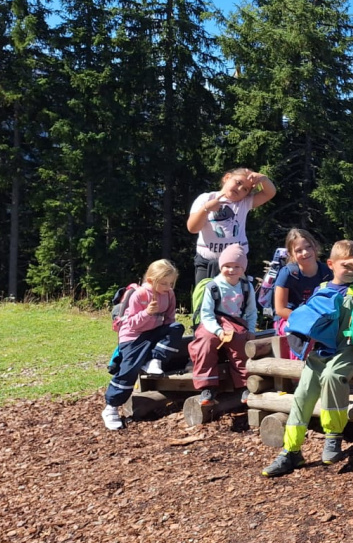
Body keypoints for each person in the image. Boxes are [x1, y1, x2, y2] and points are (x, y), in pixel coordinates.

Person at [261, 240, 353, 477]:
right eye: (344, 265)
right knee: (303, 392)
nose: (350, 269)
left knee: (332, 376)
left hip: (348, 349)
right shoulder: (322, 287)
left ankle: (333, 437)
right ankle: (290, 451)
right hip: (321, 350)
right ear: (330, 264)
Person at [101, 260, 185, 430]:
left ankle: (155, 360)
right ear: (151, 280)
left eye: (171, 283)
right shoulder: (139, 295)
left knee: (177, 328)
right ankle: (111, 408)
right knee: (130, 368)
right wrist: (147, 313)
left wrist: (161, 328)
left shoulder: (169, 294)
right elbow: (131, 324)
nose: (168, 287)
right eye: (164, 283)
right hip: (133, 336)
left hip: (153, 332)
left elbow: (169, 320)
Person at [189, 244, 257, 405]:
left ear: (243, 268)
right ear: (221, 266)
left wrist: (252, 330)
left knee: (240, 343)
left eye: (236, 266)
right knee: (204, 342)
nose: (231, 270)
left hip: (235, 322)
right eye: (227, 266)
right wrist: (218, 331)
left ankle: (244, 386)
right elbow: (206, 314)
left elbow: (251, 311)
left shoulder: (246, 286)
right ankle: (207, 387)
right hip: (213, 321)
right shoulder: (213, 286)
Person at [186, 167, 276, 285]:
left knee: (234, 301)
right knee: (203, 300)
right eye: (238, 182)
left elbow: (269, 193)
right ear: (227, 178)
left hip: (236, 264)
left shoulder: (244, 203)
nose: (239, 188)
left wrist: (263, 179)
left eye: (245, 189)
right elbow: (192, 228)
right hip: (207, 262)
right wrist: (206, 209)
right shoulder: (205, 198)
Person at [271, 229, 332, 358]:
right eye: (299, 250)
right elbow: (280, 309)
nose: (305, 253)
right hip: (290, 317)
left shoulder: (326, 272)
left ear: (315, 246)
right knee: (298, 334)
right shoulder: (287, 274)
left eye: (308, 247)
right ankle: (296, 373)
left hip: (319, 318)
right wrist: (304, 319)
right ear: (291, 253)